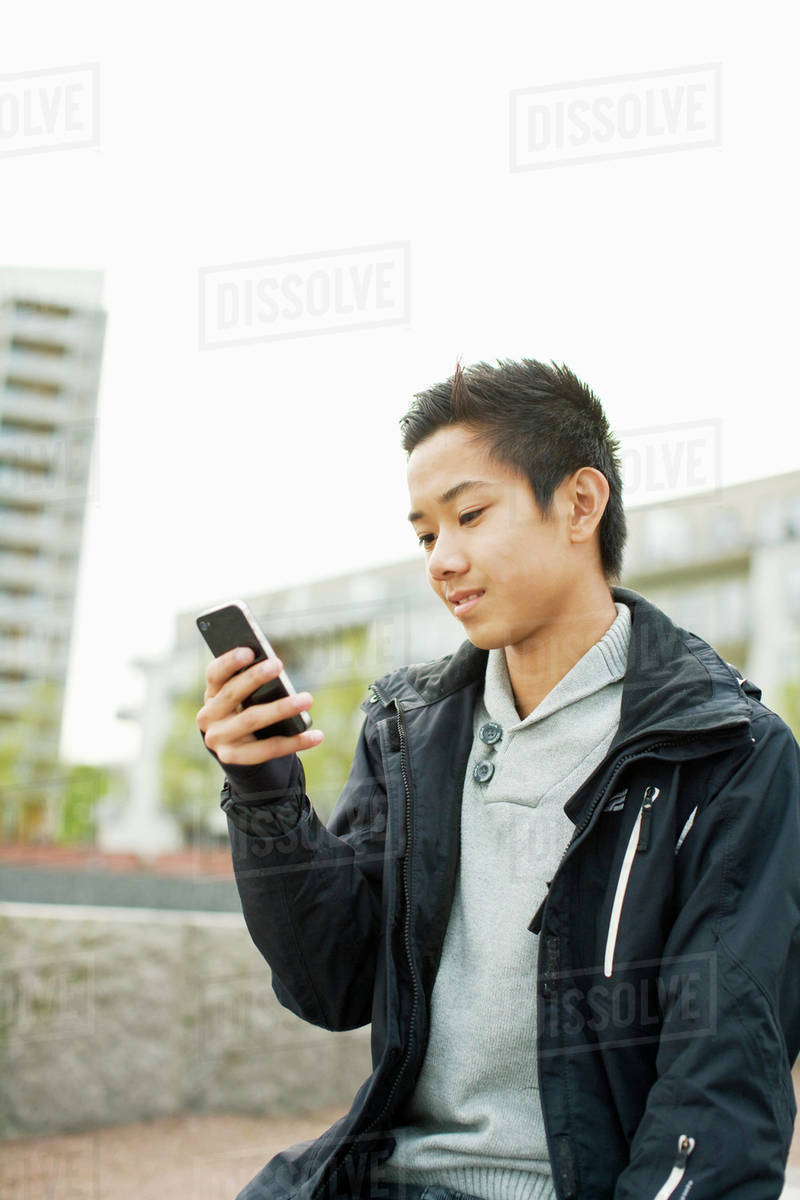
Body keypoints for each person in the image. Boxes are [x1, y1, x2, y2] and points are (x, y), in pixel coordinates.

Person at [196, 358, 800, 1200]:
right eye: (425, 535)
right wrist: (265, 793)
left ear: (581, 504)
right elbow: (332, 983)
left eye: (471, 515)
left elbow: (722, 1078)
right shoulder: (410, 731)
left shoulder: (728, 755)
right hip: (385, 1176)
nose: (442, 560)